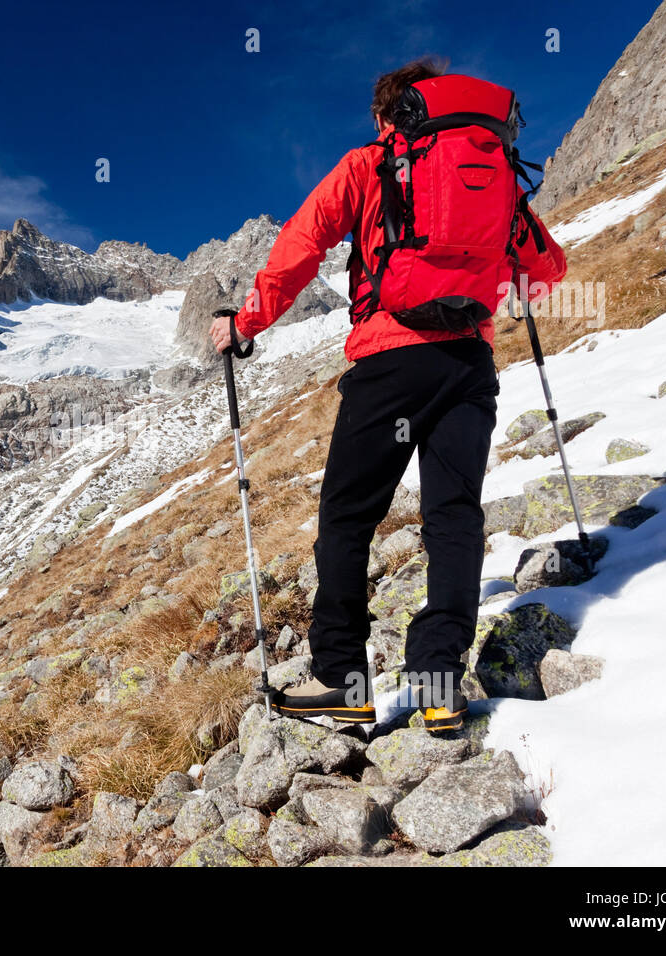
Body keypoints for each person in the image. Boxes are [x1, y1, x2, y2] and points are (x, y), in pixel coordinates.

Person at [209, 57, 567, 732]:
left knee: (348, 518)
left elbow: (301, 246)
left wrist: (245, 322)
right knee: (453, 517)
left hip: (391, 364)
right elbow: (545, 271)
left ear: (386, 116)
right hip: (468, 363)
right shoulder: (488, 170)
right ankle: (439, 682)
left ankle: (342, 680)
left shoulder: (369, 165)